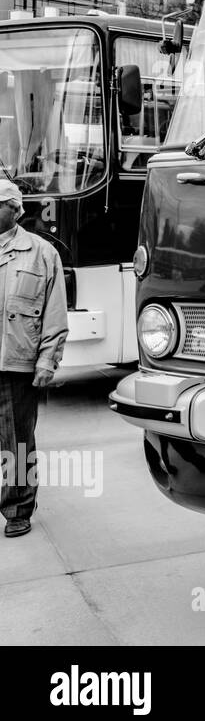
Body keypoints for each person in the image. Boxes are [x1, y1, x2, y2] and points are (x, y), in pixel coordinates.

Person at [0, 179, 68, 538]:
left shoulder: (41, 253)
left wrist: (47, 361)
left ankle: (17, 509)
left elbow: (55, 314)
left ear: (16, 210)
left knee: (17, 442)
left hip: (16, 362)